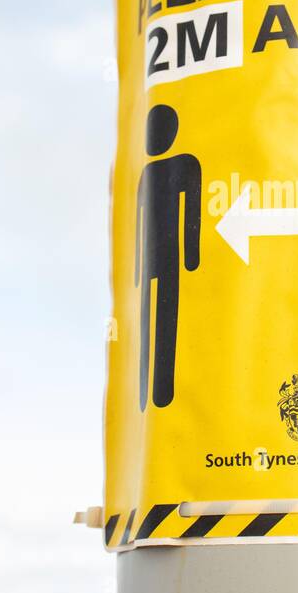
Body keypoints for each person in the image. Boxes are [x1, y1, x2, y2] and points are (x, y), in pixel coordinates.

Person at [135, 104, 201, 410]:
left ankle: (157, 392)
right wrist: (191, 257)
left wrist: (139, 268)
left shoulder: (176, 167)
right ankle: (154, 392)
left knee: (159, 321)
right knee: (159, 320)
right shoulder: (175, 166)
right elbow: (192, 216)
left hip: (158, 255)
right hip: (166, 255)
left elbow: (191, 213)